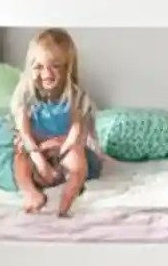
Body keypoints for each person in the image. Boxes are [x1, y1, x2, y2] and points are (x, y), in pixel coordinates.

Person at [11, 29, 102, 217]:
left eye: (55, 66)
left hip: (64, 148)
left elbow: (77, 131)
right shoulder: (26, 96)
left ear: (67, 68)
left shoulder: (76, 97)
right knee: (20, 157)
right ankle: (31, 194)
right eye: (39, 67)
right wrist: (40, 160)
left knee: (79, 158)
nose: (47, 73)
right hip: (36, 149)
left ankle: (67, 201)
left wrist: (59, 148)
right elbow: (25, 133)